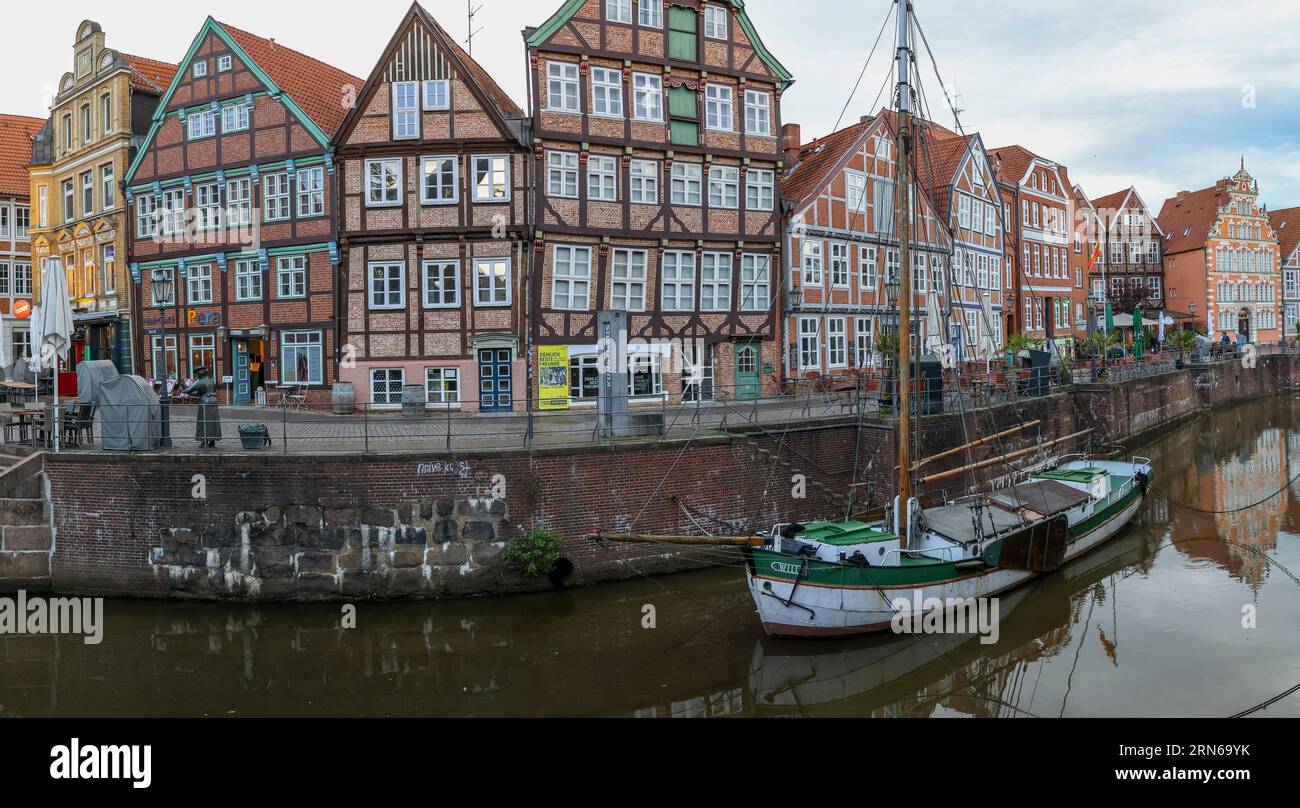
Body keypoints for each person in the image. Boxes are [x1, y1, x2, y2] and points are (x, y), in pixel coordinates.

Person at [182, 366, 222, 448]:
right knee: (213, 421)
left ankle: (205, 442)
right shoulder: (212, 381)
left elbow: (190, 391)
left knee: (204, 421)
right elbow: (209, 391)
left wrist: (184, 389)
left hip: (204, 401)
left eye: (197, 374)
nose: (196, 376)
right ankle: (212, 441)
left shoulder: (200, 382)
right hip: (213, 401)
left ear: (199, 374)